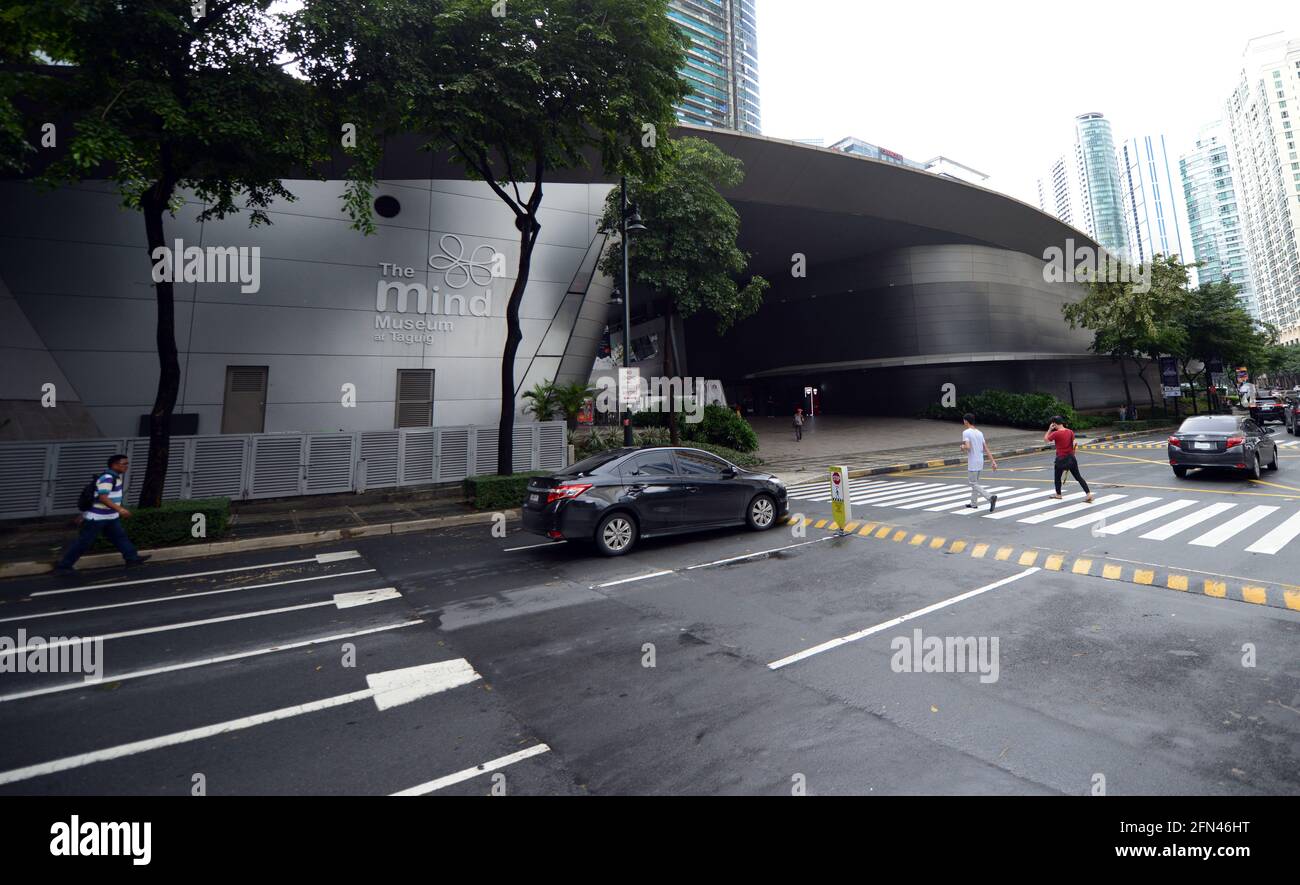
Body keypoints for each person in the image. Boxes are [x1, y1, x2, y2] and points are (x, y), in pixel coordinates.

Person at [55, 454, 150, 574]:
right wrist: (120, 509)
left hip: (110, 517)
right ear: (114, 465)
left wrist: (116, 511)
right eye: (124, 464)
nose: (127, 466)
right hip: (98, 518)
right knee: (84, 542)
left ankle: (132, 559)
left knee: (120, 538)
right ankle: (64, 566)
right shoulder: (108, 478)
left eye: (127, 464)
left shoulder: (115, 477)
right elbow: (103, 498)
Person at [1045, 416, 1093, 503]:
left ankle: (1058, 494)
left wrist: (1049, 429)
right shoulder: (1070, 432)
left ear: (1054, 424)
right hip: (1071, 458)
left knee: (1057, 477)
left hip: (1061, 459)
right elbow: (1074, 443)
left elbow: (1046, 440)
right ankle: (1088, 494)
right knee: (1078, 477)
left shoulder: (1056, 433)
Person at [960, 414, 999, 512]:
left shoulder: (966, 432)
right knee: (975, 482)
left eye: (964, 421)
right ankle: (973, 503)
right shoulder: (980, 433)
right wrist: (993, 461)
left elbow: (968, 447)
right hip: (980, 461)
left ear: (966, 421)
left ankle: (990, 497)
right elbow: (986, 448)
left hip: (973, 461)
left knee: (972, 483)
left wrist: (962, 447)